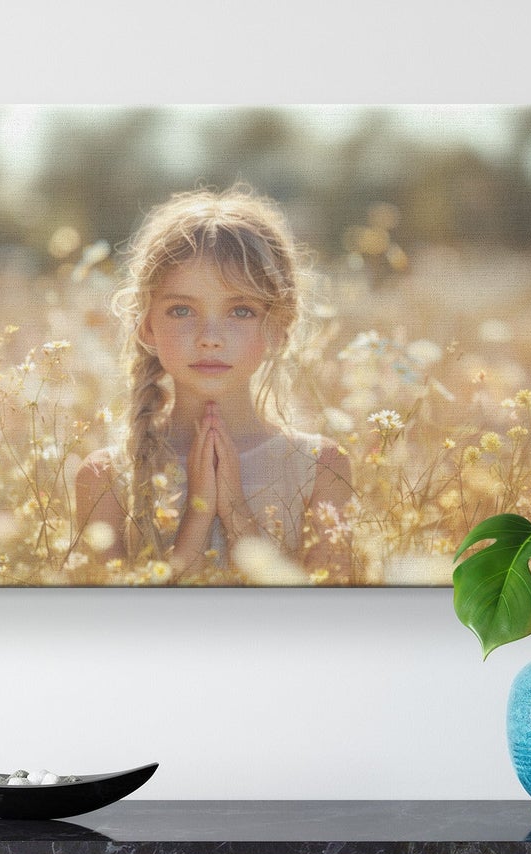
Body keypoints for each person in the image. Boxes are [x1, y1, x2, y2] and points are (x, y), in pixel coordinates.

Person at [73, 188, 353, 583]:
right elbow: (113, 634)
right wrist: (197, 518)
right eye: (181, 310)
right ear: (147, 324)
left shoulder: (321, 467)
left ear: (280, 326)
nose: (209, 336)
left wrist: (237, 513)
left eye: (240, 310)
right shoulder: (105, 476)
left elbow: (327, 631)